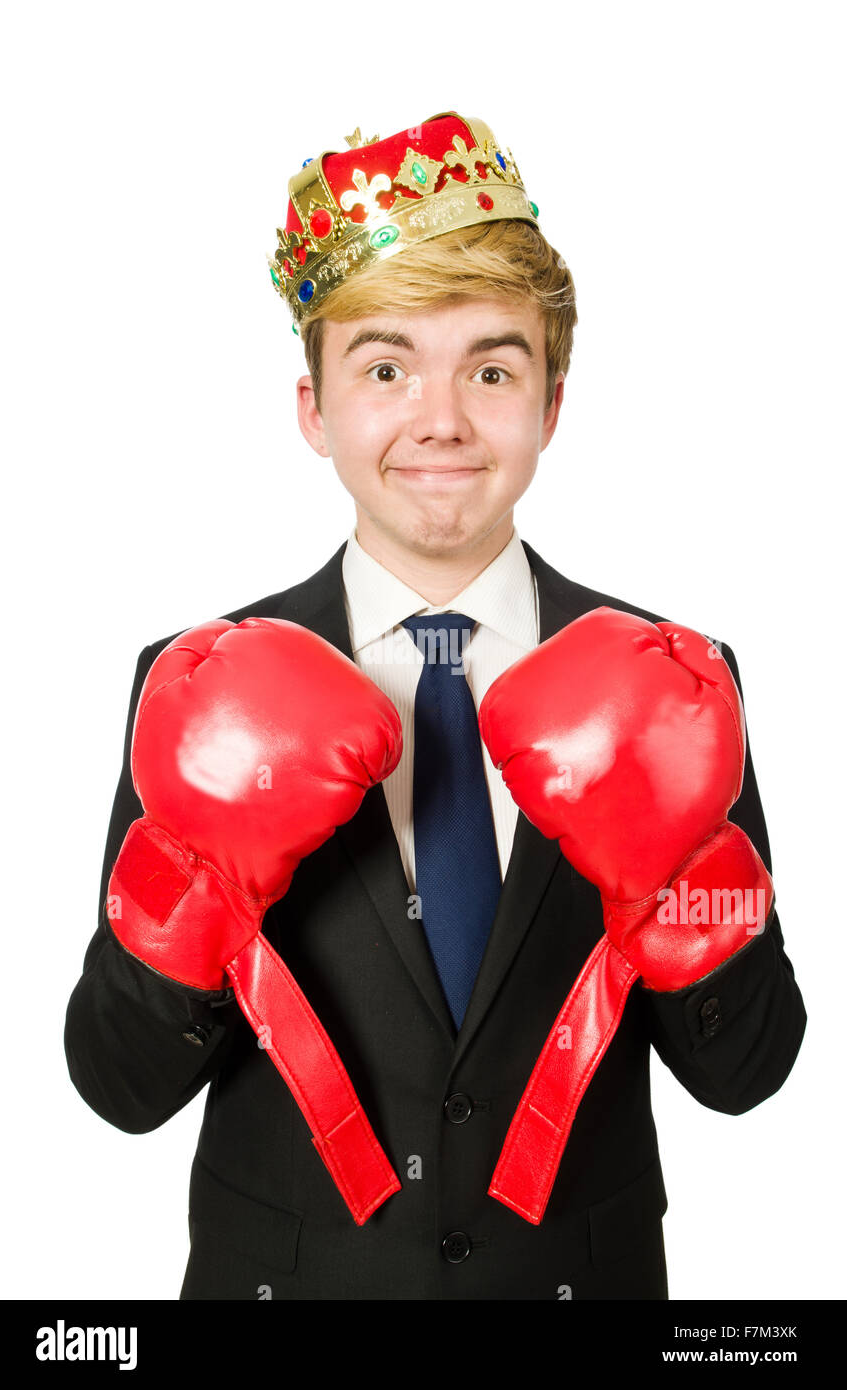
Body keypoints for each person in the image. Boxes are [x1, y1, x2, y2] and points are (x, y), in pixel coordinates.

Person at [64, 111, 806, 1300]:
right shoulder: (192, 683)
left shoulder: (677, 678)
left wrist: (683, 898)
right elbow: (117, 1082)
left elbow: (748, 1068)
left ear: (552, 404)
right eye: (387, 366)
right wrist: (191, 912)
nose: (443, 418)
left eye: (493, 368)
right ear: (314, 407)